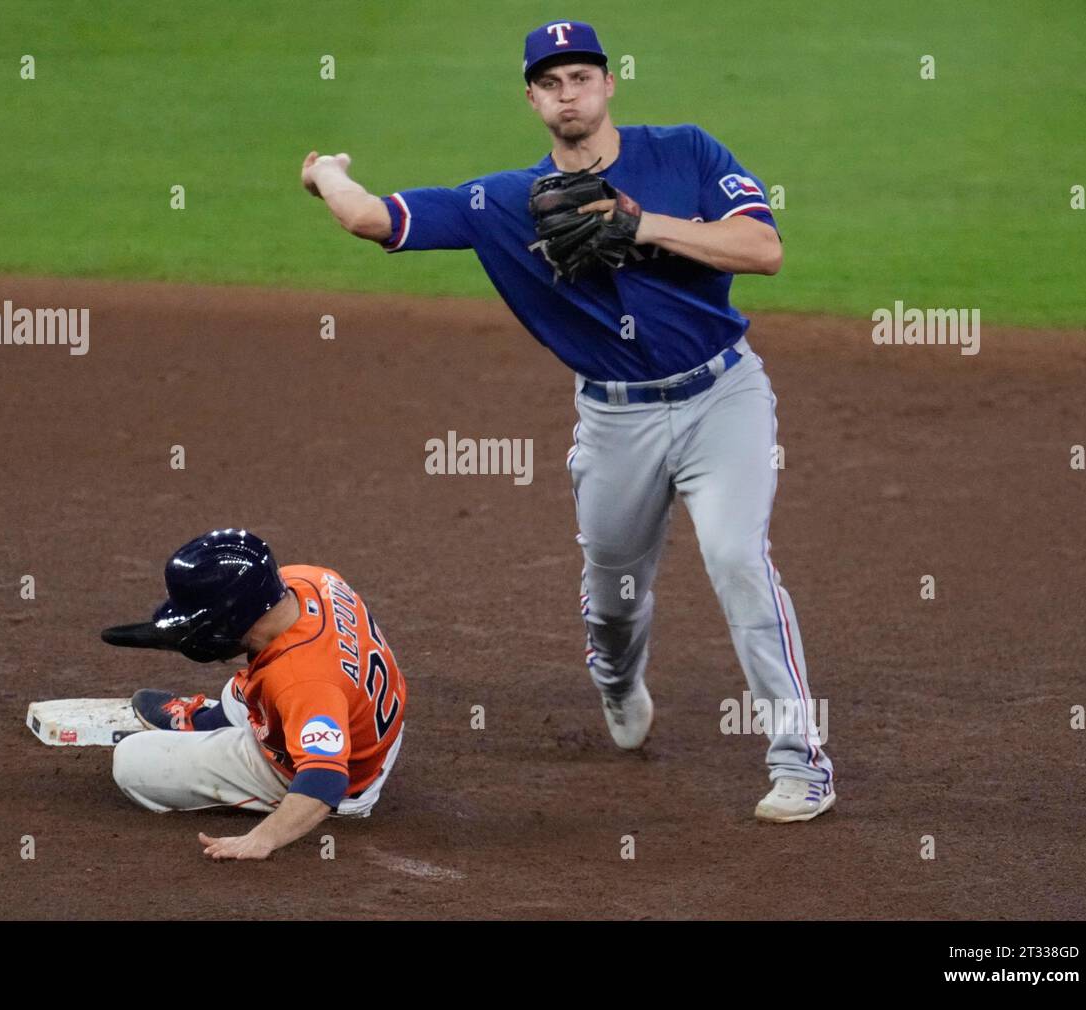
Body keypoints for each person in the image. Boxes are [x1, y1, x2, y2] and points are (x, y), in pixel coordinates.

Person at [299, 19, 834, 822]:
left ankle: (801, 761)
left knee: (738, 560)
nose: (567, 94)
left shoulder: (685, 151)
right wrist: (327, 175)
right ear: (531, 98)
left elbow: (763, 250)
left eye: (580, 77)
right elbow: (374, 219)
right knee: (615, 598)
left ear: (609, 83)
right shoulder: (503, 203)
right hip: (616, 422)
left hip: (723, 396)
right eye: (550, 83)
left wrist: (636, 223)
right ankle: (617, 678)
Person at [103, 528, 408, 859]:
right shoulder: (311, 579)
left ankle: (309, 792)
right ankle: (209, 721)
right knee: (256, 674)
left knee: (132, 761)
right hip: (361, 714)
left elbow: (326, 780)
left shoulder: (302, 683)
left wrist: (263, 838)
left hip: (345, 775)